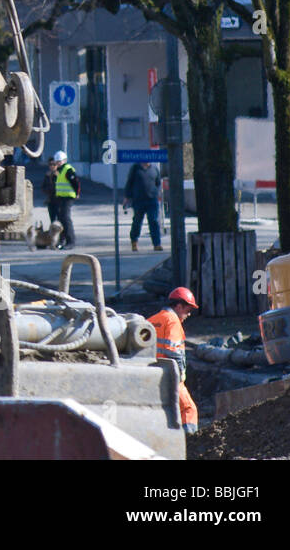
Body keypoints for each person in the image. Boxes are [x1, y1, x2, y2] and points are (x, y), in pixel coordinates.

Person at [147, 287, 200, 433]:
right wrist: (181, 374)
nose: (188, 314)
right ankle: (190, 443)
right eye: (187, 310)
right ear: (178, 306)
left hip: (150, 375)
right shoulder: (173, 321)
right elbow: (173, 351)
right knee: (189, 409)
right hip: (170, 375)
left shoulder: (153, 319)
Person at [122, 160, 163, 252]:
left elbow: (158, 183)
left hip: (152, 201)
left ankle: (157, 244)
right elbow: (129, 183)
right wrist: (126, 197)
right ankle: (134, 242)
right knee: (137, 222)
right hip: (138, 201)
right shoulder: (135, 168)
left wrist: (158, 193)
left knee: (154, 221)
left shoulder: (154, 169)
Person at [46, 150, 80, 249]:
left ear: (64, 160)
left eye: (60, 161)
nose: (58, 163)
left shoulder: (68, 170)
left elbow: (76, 183)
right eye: (57, 161)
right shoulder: (59, 171)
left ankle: (71, 241)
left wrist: (77, 193)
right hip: (61, 197)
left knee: (66, 218)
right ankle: (62, 241)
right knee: (61, 219)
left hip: (68, 197)